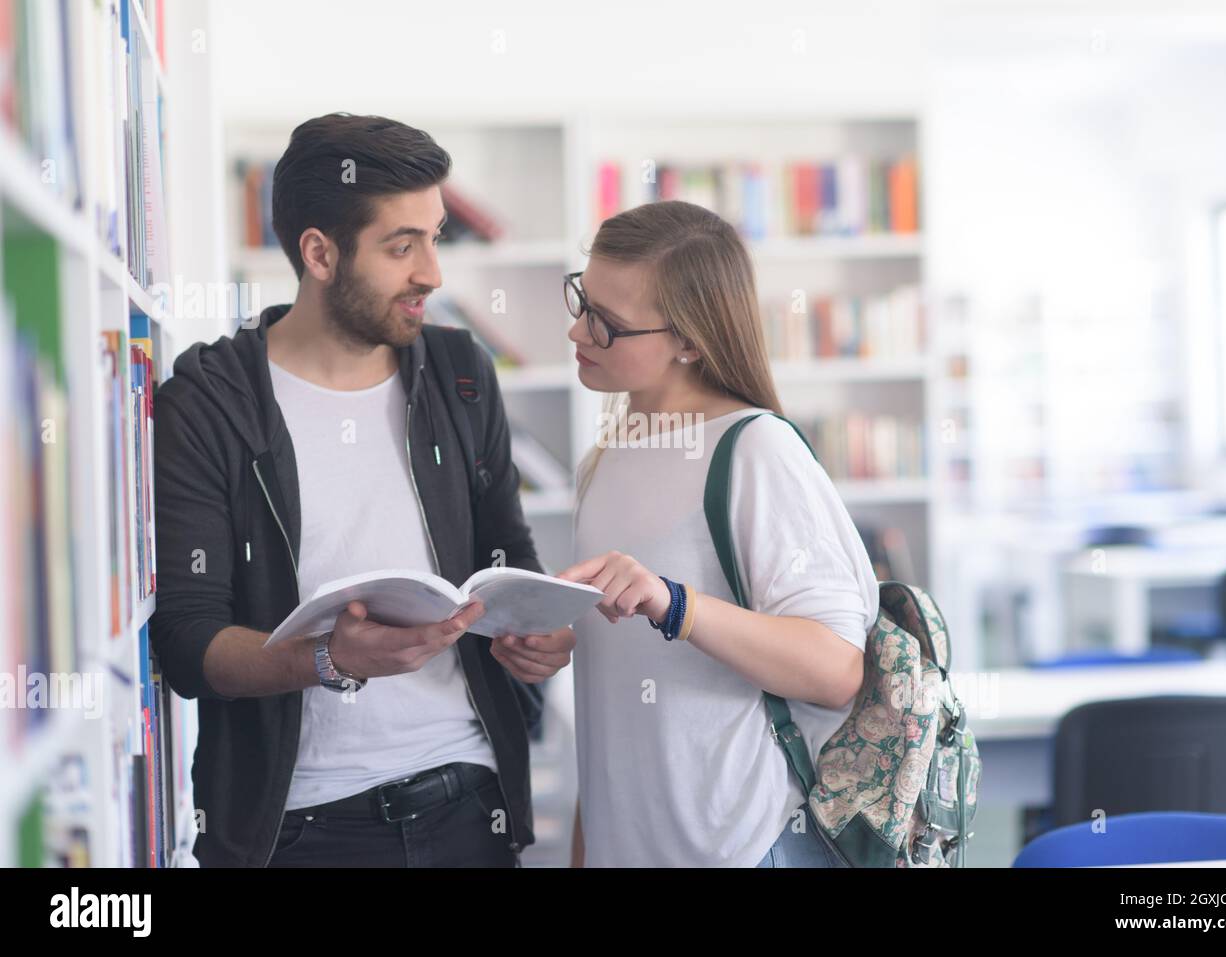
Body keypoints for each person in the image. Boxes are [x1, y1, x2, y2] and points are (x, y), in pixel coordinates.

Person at [150, 113, 573, 867]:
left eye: (435, 237)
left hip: (472, 805)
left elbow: (508, 549)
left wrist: (535, 632)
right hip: (299, 827)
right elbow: (188, 642)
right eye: (400, 245)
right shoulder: (209, 399)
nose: (432, 273)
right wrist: (327, 659)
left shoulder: (459, 369)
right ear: (319, 252)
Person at [557, 200, 879, 867]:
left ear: (689, 340)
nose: (577, 332)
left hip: (734, 845)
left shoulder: (757, 449)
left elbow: (837, 666)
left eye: (607, 324)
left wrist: (676, 603)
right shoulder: (612, 453)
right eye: (582, 300)